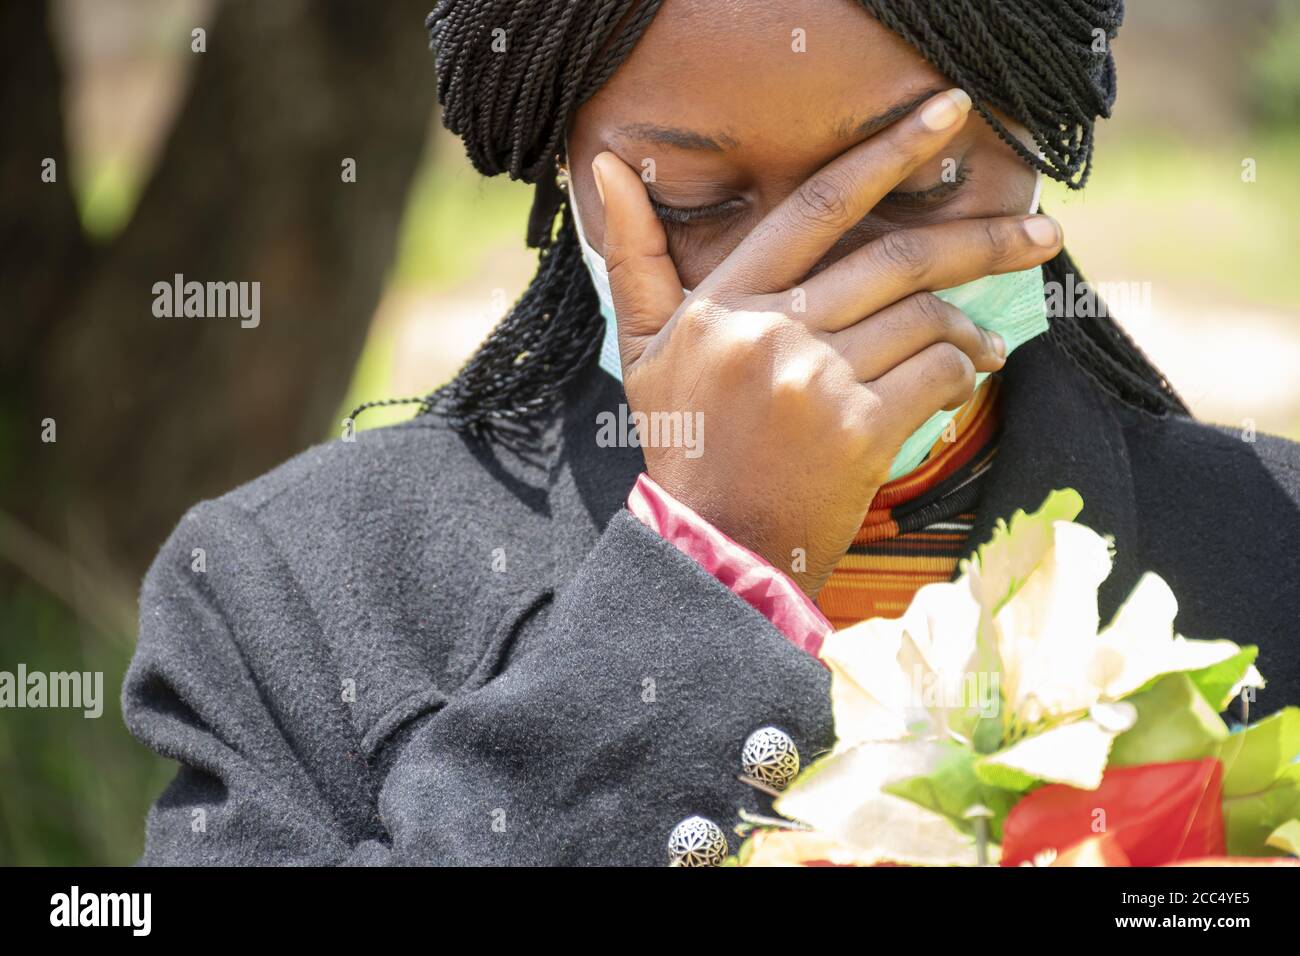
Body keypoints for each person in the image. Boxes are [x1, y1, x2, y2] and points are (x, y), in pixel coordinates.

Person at [122, 0, 1300, 866]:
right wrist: (715, 557)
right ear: (564, 176)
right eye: (695, 206)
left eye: (918, 186)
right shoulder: (284, 594)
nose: (804, 303)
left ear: (1035, 132)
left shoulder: (1275, 551)